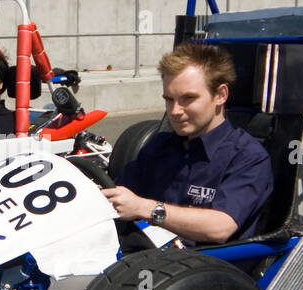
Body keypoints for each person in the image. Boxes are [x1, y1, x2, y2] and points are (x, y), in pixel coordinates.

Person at [104, 43, 273, 245]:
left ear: (220, 95)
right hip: (149, 257)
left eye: (188, 98)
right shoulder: (160, 146)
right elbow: (118, 193)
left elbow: (220, 227)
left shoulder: (248, 157)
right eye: (169, 99)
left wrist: (145, 208)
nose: (175, 111)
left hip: (208, 269)